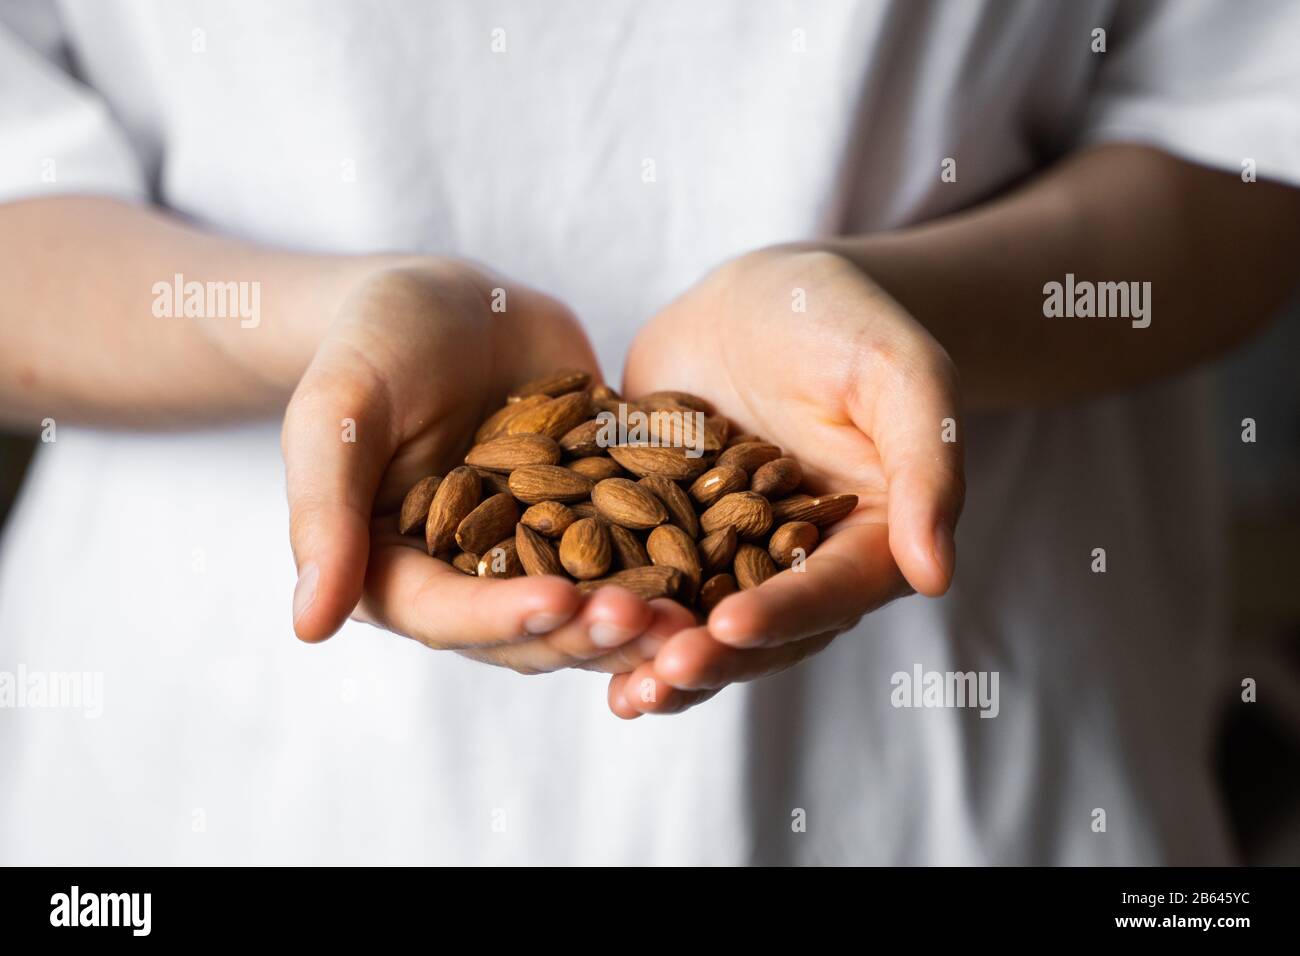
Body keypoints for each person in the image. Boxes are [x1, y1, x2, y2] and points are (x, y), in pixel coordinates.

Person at [1, 0, 1297, 865]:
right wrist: (325, 331)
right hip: (221, 769)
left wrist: (902, 314)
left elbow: (1246, 147)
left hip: (967, 764)